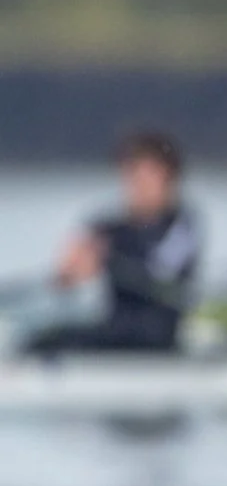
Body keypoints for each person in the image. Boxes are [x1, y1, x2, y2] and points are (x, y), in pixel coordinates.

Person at [29, 130, 203, 357]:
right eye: (132, 176)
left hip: (157, 336)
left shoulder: (182, 226)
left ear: (168, 179)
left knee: (55, 342)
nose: (138, 186)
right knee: (41, 340)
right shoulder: (108, 228)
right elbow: (73, 266)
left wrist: (110, 257)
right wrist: (70, 270)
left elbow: (162, 273)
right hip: (117, 329)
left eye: (147, 176)